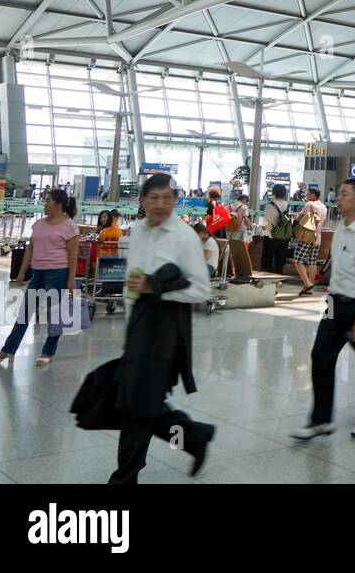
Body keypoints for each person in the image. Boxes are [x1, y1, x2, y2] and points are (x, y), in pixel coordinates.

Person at [108, 173, 215, 482]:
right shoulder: (138, 232)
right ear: (142, 200)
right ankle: (195, 437)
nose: (160, 204)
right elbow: (133, 284)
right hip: (140, 324)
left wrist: (156, 288)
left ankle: (124, 478)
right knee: (142, 403)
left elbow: (201, 290)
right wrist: (130, 330)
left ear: (176, 201)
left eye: (168, 198)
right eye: (153, 197)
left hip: (167, 329)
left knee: (137, 406)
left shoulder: (184, 237)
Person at [291, 179, 355, 441]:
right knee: (321, 355)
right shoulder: (341, 229)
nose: (339, 197)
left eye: (345, 194)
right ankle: (321, 420)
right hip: (336, 303)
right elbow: (339, 272)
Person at [0, 189, 79, 368]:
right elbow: (30, 248)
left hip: (58, 273)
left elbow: (73, 255)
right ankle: (7, 349)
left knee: (54, 314)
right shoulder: (38, 224)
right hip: (38, 273)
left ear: (59, 204)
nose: (45, 204)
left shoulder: (69, 227)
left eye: (48, 201)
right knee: (25, 312)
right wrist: (22, 271)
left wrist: (70, 279)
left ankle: (48, 352)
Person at [288, 187, 327, 295]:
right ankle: (308, 286)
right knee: (312, 261)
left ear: (313, 195)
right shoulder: (324, 207)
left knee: (297, 259)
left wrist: (295, 216)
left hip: (306, 237)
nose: (306, 196)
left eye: (308, 194)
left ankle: (307, 282)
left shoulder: (309, 204)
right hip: (317, 238)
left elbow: (300, 218)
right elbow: (323, 223)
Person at [260, 183, 291, 274]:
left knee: (267, 259)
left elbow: (267, 222)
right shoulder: (287, 205)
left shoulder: (271, 205)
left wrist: (264, 230)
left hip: (271, 236)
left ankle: (269, 279)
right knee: (280, 260)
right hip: (283, 236)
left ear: (274, 192)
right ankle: (278, 278)